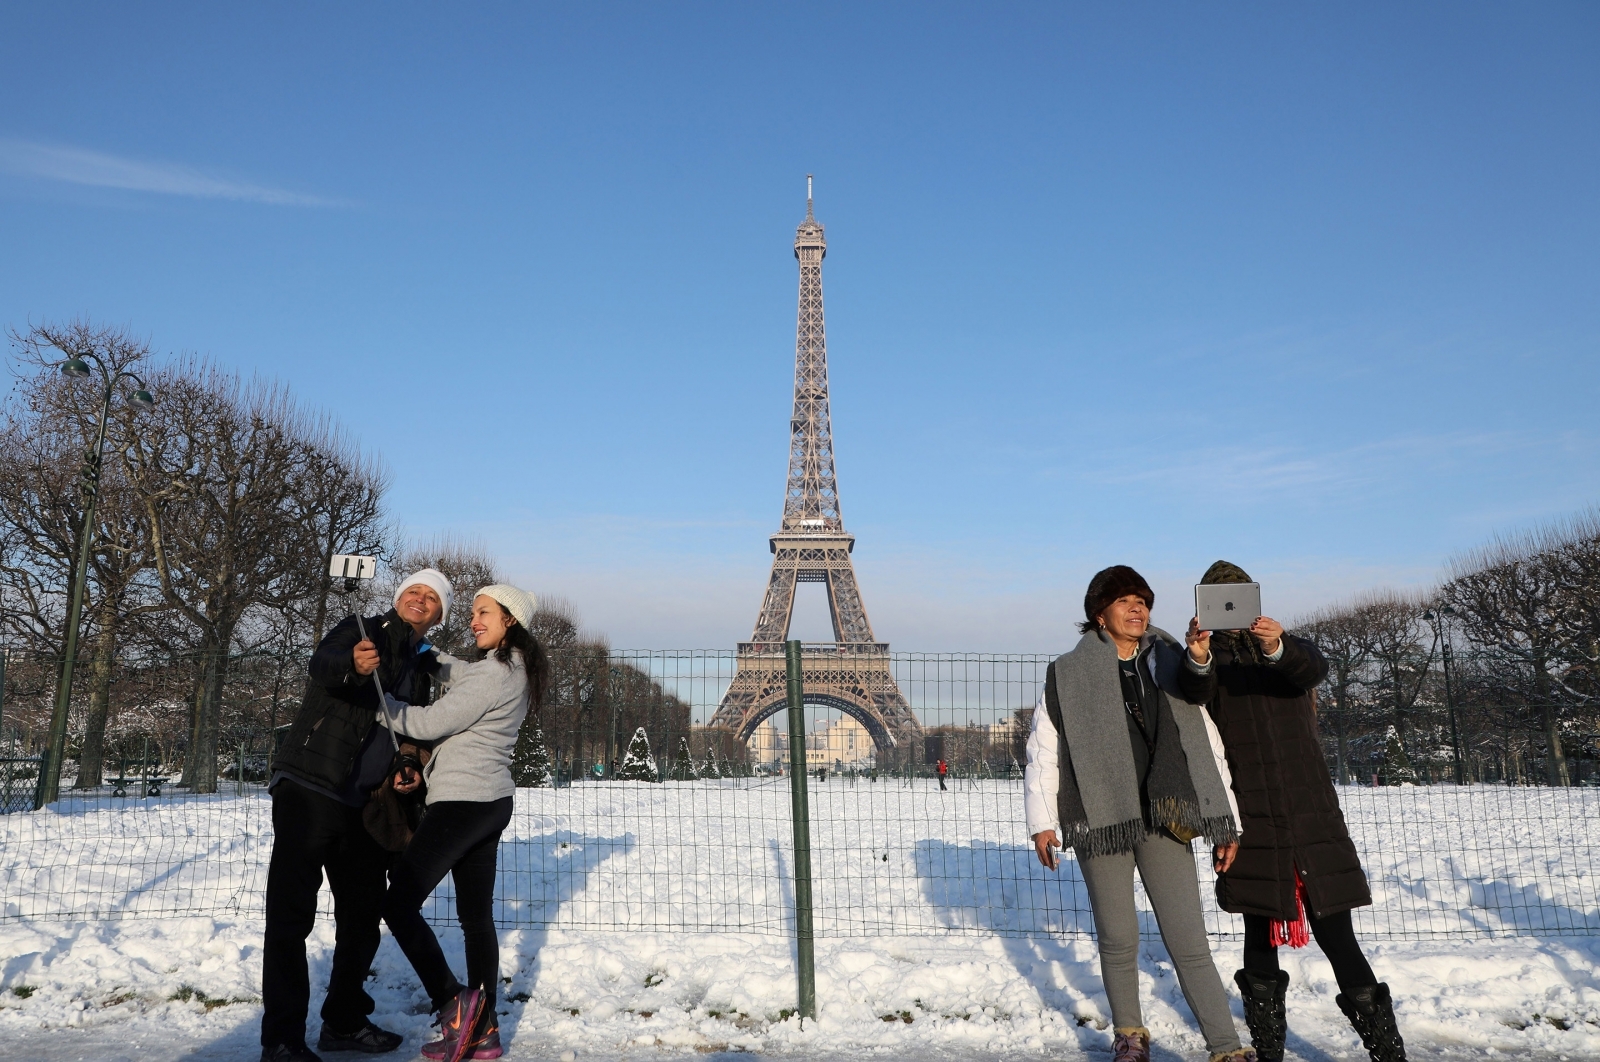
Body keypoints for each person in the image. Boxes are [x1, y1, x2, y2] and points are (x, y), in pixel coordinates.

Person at [1025, 565, 1249, 1062]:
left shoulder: (1170, 658)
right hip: (1100, 816)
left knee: (1189, 938)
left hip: (1164, 814)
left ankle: (1227, 1046)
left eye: (1143, 600)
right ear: (1098, 615)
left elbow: (1206, 746)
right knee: (1118, 935)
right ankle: (1130, 1034)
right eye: (1124, 600)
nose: (1137, 608)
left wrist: (1224, 818)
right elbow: (1044, 749)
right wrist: (1042, 820)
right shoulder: (1067, 671)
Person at [1184, 561, 1405, 1062]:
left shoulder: (1282, 648)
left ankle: (1390, 1053)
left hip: (1311, 816)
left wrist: (1275, 645)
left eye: (1239, 597)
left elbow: (1311, 668)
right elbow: (1192, 693)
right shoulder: (1205, 656)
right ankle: (1269, 1054)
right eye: (1219, 599)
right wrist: (1199, 657)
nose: (1232, 609)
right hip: (1250, 818)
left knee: (1336, 931)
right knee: (1258, 931)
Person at [261, 569, 453, 1062]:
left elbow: (411, 732)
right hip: (310, 787)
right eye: (415, 590)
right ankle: (282, 1038)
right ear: (400, 597)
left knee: (363, 919)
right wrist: (353, 663)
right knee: (291, 917)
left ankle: (343, 1023)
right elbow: (322, 664)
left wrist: (408, 763)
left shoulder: (421, 667)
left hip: (365, 808)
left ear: (438, 614)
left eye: (432, 597)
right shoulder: (361, 630)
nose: (421, 598)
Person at [381, 585, 550, 1062]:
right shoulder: (511, 667)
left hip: (463, 801)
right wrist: (429, 655)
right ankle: (483, 1032)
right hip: (491, 800)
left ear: (510, 620)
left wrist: (374, 704)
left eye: (483, 613)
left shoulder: (495, 672)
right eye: (473, 612)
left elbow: (430, 722)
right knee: (476, 920)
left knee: (398, 904)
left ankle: (455, 1006)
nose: (473, 620)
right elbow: (464, 673)